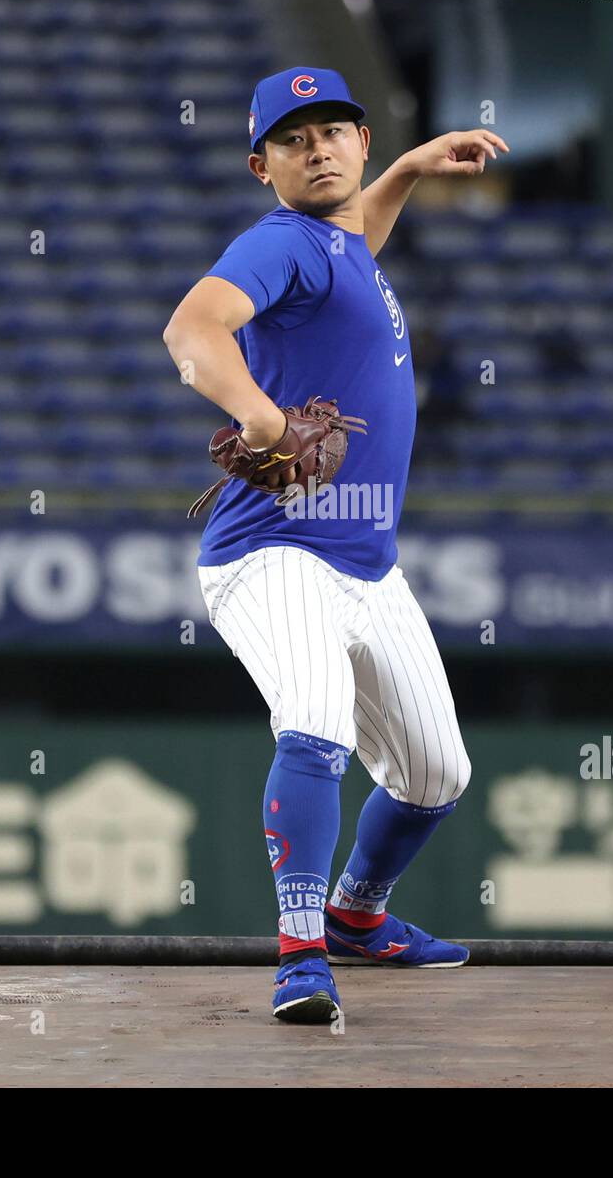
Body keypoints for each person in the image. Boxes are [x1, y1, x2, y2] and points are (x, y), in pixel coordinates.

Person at [163, 67, 507, 1023]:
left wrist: (406, 170)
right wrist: (264, 417)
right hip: (273, 551)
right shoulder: (281, 241)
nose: (317, 148)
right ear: (261, 165)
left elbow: (356, 238)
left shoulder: (336, 241)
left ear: (358, 141)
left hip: (365, 563)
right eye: (293, 138)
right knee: (314, 725)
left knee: (437, 771)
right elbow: (190, 329)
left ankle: (358, 917)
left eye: (333, 131)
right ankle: (301, 952)